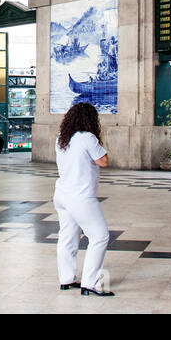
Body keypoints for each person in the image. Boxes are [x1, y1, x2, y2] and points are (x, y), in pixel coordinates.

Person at [54, 102, 113, 297]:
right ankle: (90, 282)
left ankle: (67, 279)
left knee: (67, 237)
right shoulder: (88, 138)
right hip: (81, 196)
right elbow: (103, 161)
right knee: (100, 236)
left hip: (62, 194)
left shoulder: (61, 138)